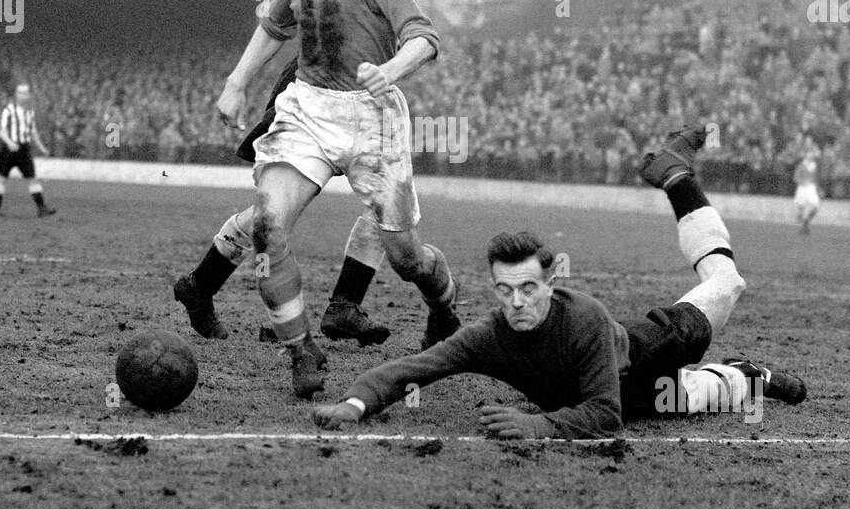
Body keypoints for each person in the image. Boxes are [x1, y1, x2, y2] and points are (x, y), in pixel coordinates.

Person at [313, 125, 807, 438]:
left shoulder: (585, 319)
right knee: (701, 397)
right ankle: (751, 375)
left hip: (649, 347)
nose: (518, 302)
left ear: (552, 283)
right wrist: (357, 403)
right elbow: (413, 369)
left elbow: (603, 418)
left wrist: (536, 424)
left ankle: (678, 179)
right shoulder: (492, 333)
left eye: (529, 288)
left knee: (727, 281)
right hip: (626, 396)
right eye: (505, 291)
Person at [178, 0, 458, 399]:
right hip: (308, 108)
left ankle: (443, 307)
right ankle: (302, 349)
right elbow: (275, 25)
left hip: (372, 119)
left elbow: (424, 36)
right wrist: (237, 82)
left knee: (405, 256)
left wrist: (391, 70)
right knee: (267, 224)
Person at [0, 83, 56, 218]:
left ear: (29, 95)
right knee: (1, 179)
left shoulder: (30, 112)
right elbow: (0, 130)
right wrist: (9, 142)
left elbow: (33, 133)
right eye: (21, 93)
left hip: (24, 149)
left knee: (33, 179)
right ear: (16, 94)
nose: (23, 96)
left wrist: (42, 149)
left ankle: (41, 209)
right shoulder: (8, 110)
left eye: (26, 93)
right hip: (9, 150)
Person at [793, 150, 820, 235]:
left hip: (811, 189)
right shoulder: (801, 166)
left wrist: (818, 188)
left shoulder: (815, 166)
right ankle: (804, 227)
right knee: (803, 209)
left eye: (811, 155)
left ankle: (805, 223)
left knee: (815, 206)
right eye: (808, 155)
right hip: (802, 189)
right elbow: (795, 178)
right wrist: (802, 182)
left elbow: (816, 179)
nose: (810, 157)